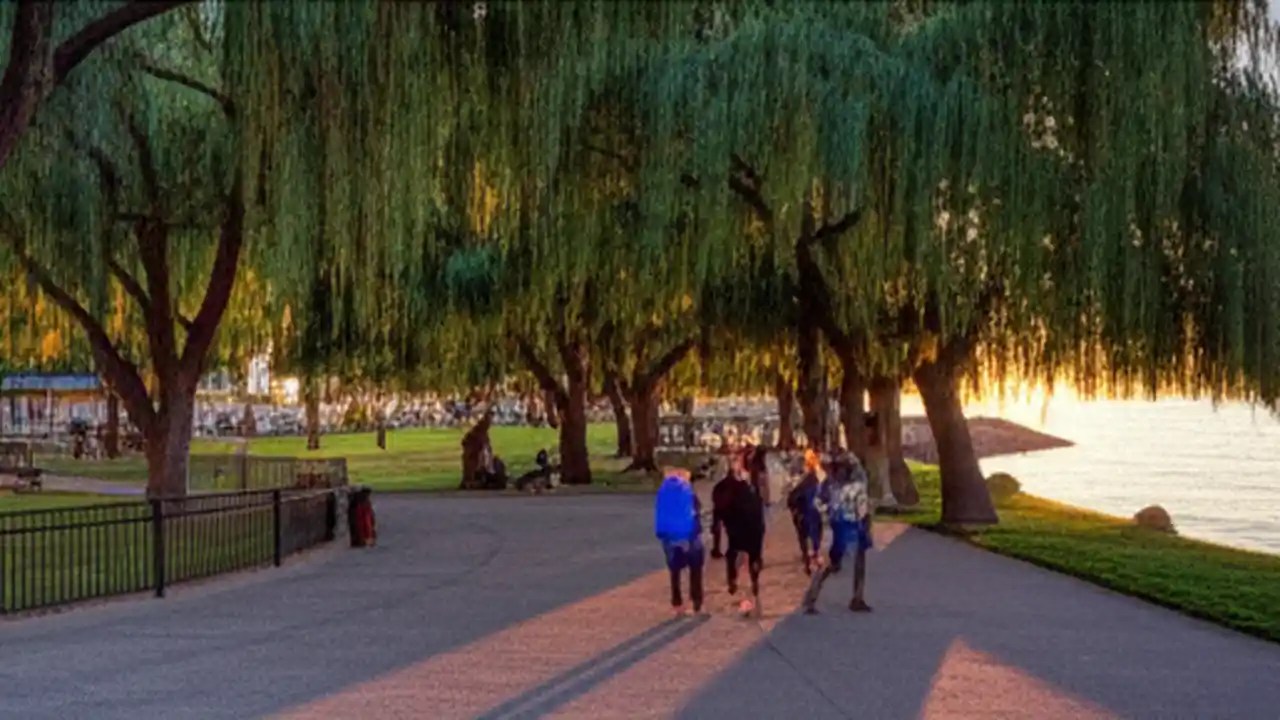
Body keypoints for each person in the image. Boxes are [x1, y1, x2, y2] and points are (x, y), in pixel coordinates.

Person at [802, 450, 874, 614]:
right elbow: (818, 501)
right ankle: (812, 597)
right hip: (839, 525)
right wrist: (827, 512)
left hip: (852, 524)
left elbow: (863, 505)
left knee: (859, 560)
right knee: (831, 564)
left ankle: (857, 597)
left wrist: (863, 520)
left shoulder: (853, 483)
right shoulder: (831, 484)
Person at [721, 448, 767, 616]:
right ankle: (752, 592)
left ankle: (744, 595)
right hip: (754, 526)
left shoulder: (739, 484)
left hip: (742, 528)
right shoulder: (755, 481)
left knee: (737, 560)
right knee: (751, 560)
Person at [654, 468, 705, 616]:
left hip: (670, 537)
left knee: (675, 571)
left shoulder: (662, 492)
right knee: (695, 569)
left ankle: (677, 603)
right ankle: (696, 602)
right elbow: (697, 509)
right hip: (689, 536)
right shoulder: (688, 492)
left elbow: (660, 513)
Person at [787, 449, 825, 575]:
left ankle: (810, 556)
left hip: (806, 512)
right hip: (806, 512)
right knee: (812, 533)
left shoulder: (812, 478)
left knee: (806, 535)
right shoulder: (813, 478)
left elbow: (791, 498)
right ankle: (812, 555)